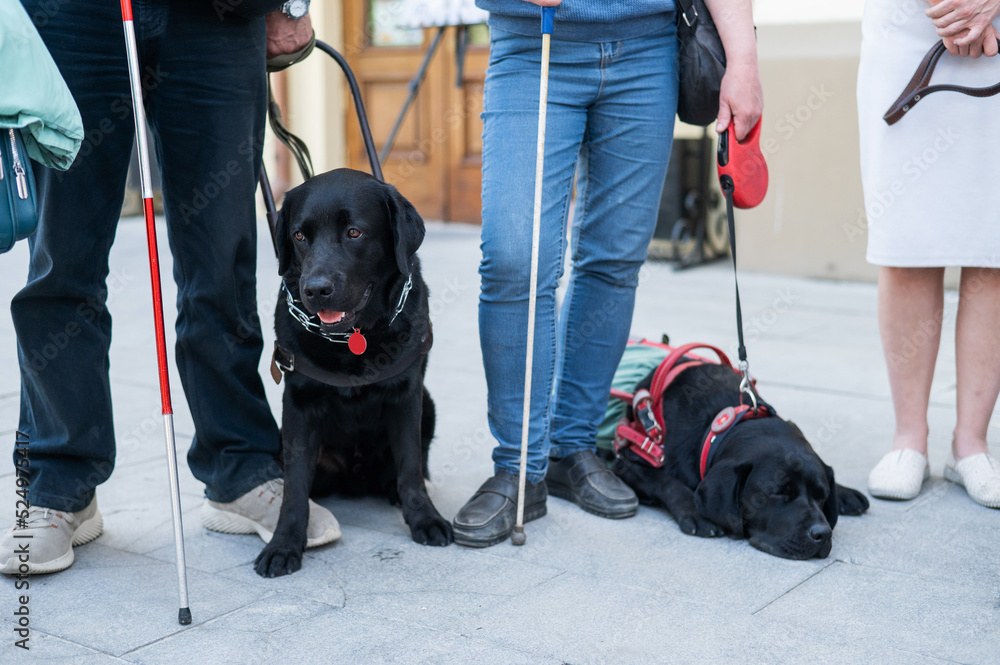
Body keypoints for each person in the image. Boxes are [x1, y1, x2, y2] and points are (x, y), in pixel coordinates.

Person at [0, 0, 340, 575]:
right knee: (63, 261)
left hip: (220, 16)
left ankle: (242, 468)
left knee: (223, 260)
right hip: (71, 16)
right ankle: (58, 484)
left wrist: (291, 2)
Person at [452, 0, 764, 546]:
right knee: (514, 261)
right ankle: (518, 468)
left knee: (614, 259)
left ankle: (572, 446)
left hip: (647, 51)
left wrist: (743, 60)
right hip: (535, 45)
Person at [859, 0, 1000, 507]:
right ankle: (908, 439)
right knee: (907, 238)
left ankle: (971, 445)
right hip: (908, 25)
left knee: (994, 245)